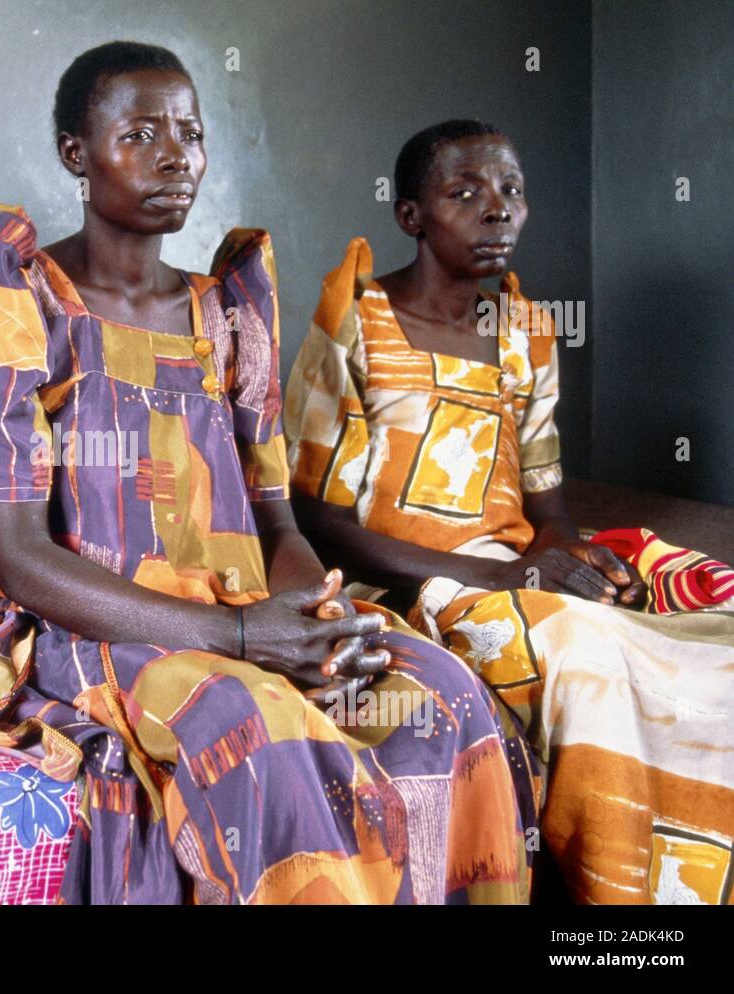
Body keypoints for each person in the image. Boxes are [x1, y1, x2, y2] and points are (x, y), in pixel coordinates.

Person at [0, 44, 539, 905]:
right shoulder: (25, 299)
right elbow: (20, 560)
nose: (176, 155)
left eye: (190, 133)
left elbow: (276, 524)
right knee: (256, 724)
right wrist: (242, 641)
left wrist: (319, 624)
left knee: (437, 695)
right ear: (77, 154)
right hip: (100, 628)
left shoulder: (228, 308)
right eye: (141, 134)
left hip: (249, 611)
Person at [283, 119, 734, 904]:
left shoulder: (525, 332)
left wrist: (577, 560)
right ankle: (629, 908)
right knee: (584, 657)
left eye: (512, 192)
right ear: (411, 215)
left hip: (513, 567)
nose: (499, 210)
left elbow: (547, 505)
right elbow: (317, 522)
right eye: (465, 193)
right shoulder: (357, 322)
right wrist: (518, 573)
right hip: (405, 584)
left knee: (706, 633)